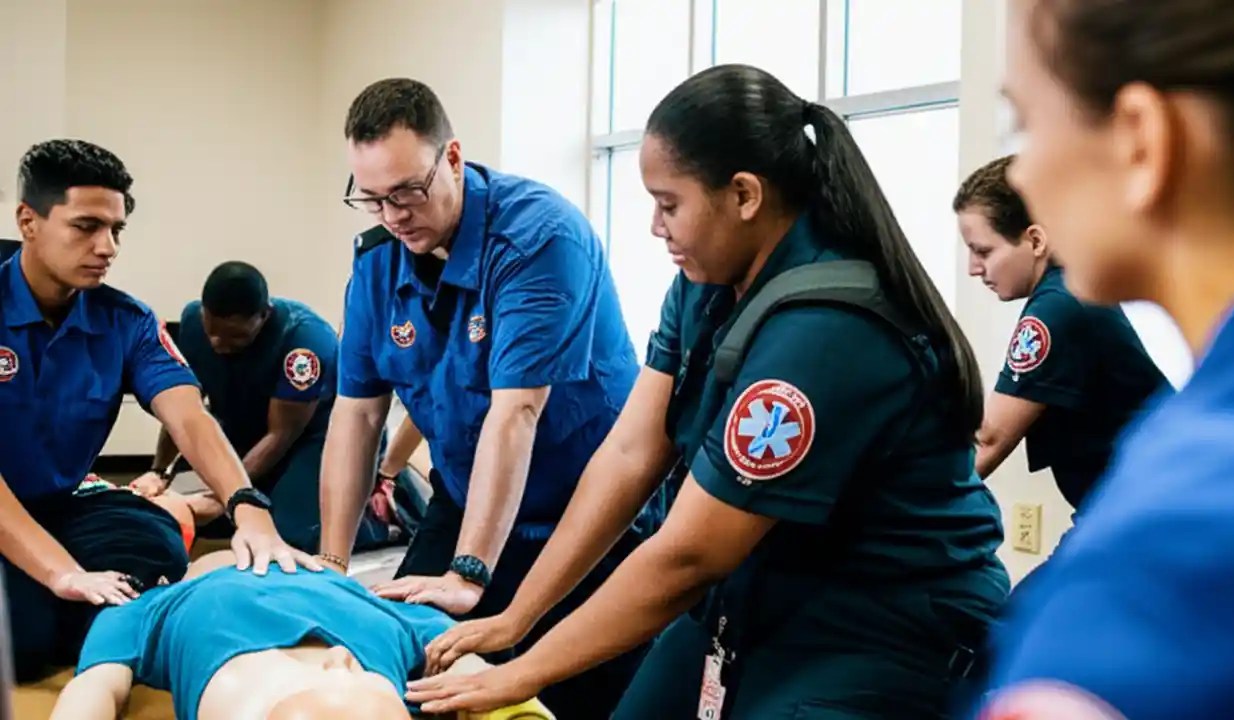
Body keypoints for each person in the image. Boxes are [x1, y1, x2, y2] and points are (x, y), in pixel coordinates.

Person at [411, 64, 1010, 719]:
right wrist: (518, 617)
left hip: (880, 626)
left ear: (745, 195)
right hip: (754, 601)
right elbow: (631, 454)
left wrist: (521, 671)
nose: (655, 226)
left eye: (670, 204)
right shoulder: (704, 283)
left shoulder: (829, 330)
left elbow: (690, 553)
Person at [974, 1, 1234, 718]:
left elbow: (989, 435)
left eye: (1024, 122)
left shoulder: (1169, 553)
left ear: (1141, 140)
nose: (1025, 179)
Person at [319, 78, 645, 717]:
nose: (394, 215)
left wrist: (468, 573)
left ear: (455, 158)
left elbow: (516, 411)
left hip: (585, 511)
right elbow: (357, 414)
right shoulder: (377, 263)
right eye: (373, 198)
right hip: (470, 493)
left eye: (409, 191)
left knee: (556, 693)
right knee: (415, 665)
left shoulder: (538, 239)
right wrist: (333, 563)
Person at [0, 139, 315, 682]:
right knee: (23, 645)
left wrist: (247, 507)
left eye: (116, 230)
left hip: (56, 504)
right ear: (29, 220)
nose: (108, 247)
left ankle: (63, 606)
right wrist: (63, 574)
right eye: (86, 227)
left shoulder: (127, 321)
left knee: (155, 540)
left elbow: (189, 417)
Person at [49, 550, 555, 720]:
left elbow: (93, 688)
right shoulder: (368, 601)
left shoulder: (154, 605)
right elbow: (463, 662)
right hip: (341, 681)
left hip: (281, 688)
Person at [129, 261, 396, 552]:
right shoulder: (192, 323)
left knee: (288, 534)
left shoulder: (303, 345)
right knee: (225, 513)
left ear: (264, 315)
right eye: (213, 332)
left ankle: (381, 516)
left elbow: (280, 436)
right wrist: (160, 472)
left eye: (235, 337)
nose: (220, 344)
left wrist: (231, 494)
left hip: (313, 437)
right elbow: (183, 412)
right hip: (248, 425)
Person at [954, 155, 1169, 511]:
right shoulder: (1072, 289)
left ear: (1036, 241)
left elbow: (989, 440)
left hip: (1151, 516)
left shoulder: (1057, 309)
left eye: (983, 251)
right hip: (1135, 509)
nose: (974, 269)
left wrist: (905, 509)